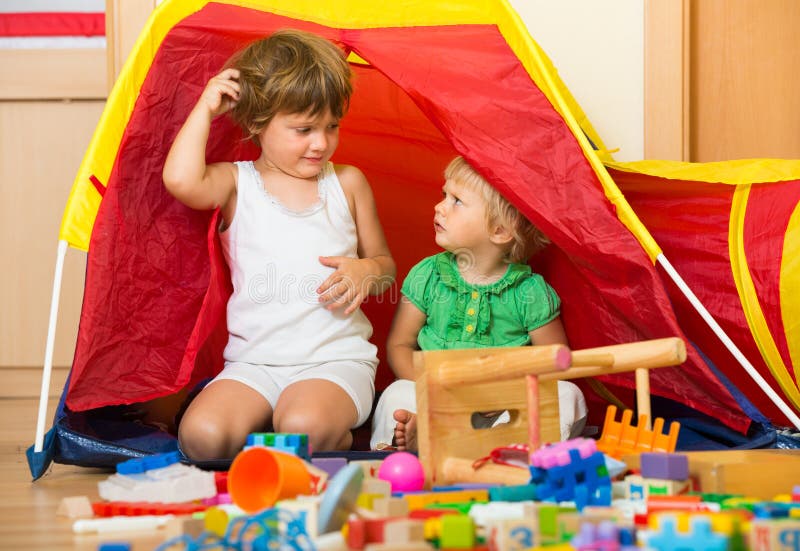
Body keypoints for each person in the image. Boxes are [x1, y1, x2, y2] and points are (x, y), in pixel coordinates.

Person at [163, 29, 395, 461]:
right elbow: (180, 180)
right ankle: (273, 430)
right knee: (202, 437)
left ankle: (324, 434)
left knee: (303, 426)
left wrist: (368, 270)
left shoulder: (347, 183)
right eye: (304, 129)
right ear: (257, 123)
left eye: (331, 126)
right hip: (254, 365)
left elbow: (386, 266)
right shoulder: (237, 184)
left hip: (335, 363)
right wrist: (205, 109)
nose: (321, 142)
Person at [370, 156, 586, 451]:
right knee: (396, 393)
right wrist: (435, 389)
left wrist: (505, 396)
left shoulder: (529, 291)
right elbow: (399, 346)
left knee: (567, 395)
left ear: (500, 231)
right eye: (444, 194)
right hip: (437, 405)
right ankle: (401, 453)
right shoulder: (427, 275)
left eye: (456, 200)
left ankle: (508, 453)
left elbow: (556, 363)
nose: (440, 206)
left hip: (504, 413)